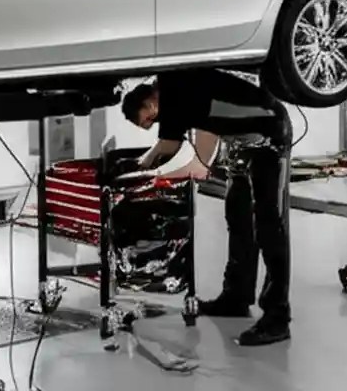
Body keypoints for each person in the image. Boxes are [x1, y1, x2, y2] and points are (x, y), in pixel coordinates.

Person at [121, 66, 294, 346]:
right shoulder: (181, 91)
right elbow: (206, 126)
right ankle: (236, 297)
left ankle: (277, 316)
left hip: (268, 137)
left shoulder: (173, 85)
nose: (154, 123)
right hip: (240, 143)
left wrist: (139, 170)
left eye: (150, 120)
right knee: (237, 217)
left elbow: (167, 145)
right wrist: (198, 166)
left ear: (152, 102)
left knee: (269, 224)